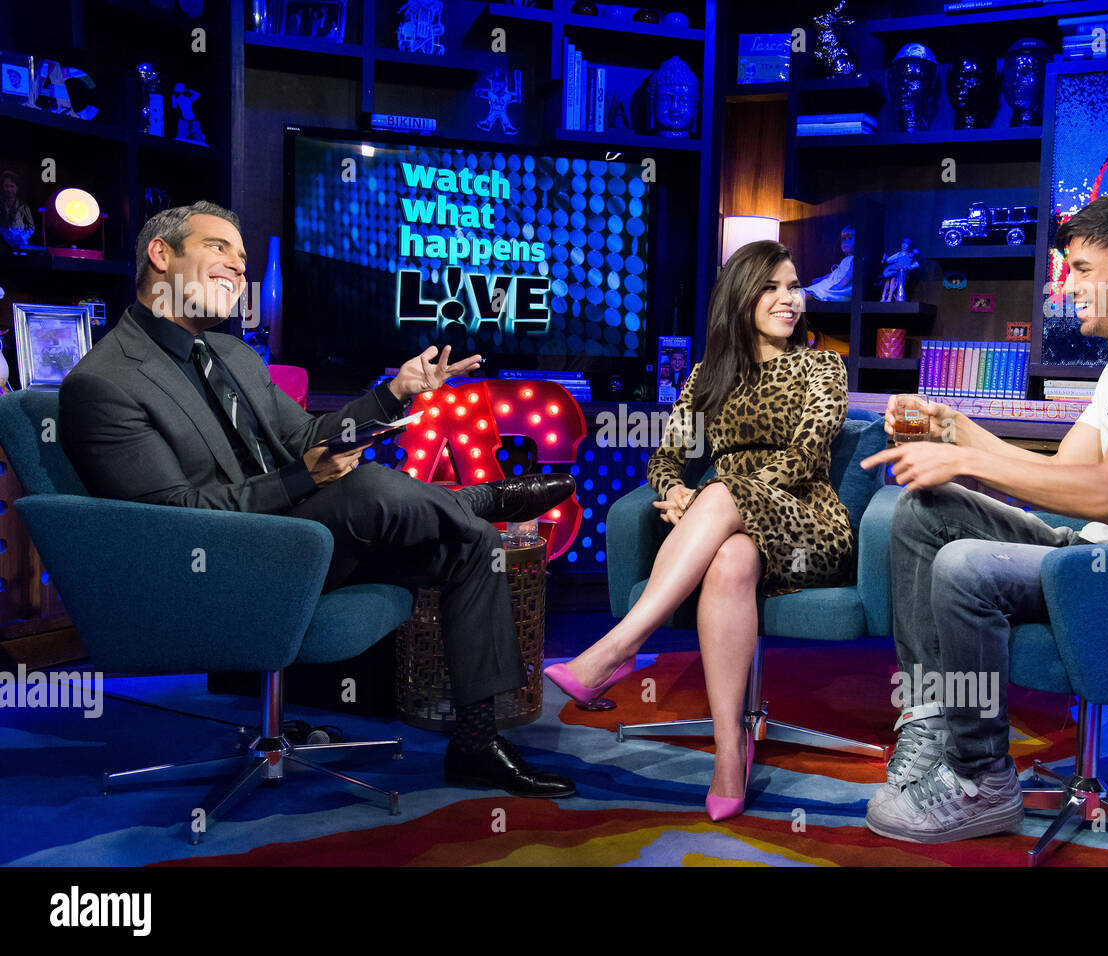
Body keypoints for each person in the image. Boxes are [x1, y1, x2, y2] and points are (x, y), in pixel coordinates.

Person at [59, 201, 578, 799]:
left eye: (243, 256)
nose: (237, 266)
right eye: (219, 248)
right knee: (363, 486)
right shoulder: (104, 382)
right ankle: (477, 497)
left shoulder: (230, 354)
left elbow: (306, 438)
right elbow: (175, 518)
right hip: (213, 568)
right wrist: (301, 480)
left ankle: (476, 746)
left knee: (474, 545)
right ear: (161, 255)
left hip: (298, 545)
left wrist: (393, 395)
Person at [858, 193, 1108, 844]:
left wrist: (957, 457)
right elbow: (1061, 482)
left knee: (964, 565)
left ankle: (981, 780)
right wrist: (955, 428)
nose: (1067, 286)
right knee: (924, 511)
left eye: (1084, 269)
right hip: (1097, 553)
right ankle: (930, 716)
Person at [544, 240, 855, 820]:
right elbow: (666, 460)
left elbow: (807, 458)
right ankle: (729, 753)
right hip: (729, 529)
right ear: (742, 297)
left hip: (807, 525)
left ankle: (618, 648)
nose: (790, 299)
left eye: (794, 287)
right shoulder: (709, 377)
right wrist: (679, 493)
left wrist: (721, 494)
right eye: (773, 287)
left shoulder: (822, 367)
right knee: (732, 559)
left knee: (722, 496)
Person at [804, 226, 854, 302]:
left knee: (813, 292)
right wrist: (822, 278)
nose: (845, 242)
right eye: (843, 239)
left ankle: (794, 304)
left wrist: (838, 286)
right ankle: (792, 305)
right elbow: (835, 274)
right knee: (808, 291)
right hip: (832, 284)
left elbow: (848, 276)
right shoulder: (845, 260)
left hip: (841, 288)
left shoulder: (855, 260)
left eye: (850, 238)